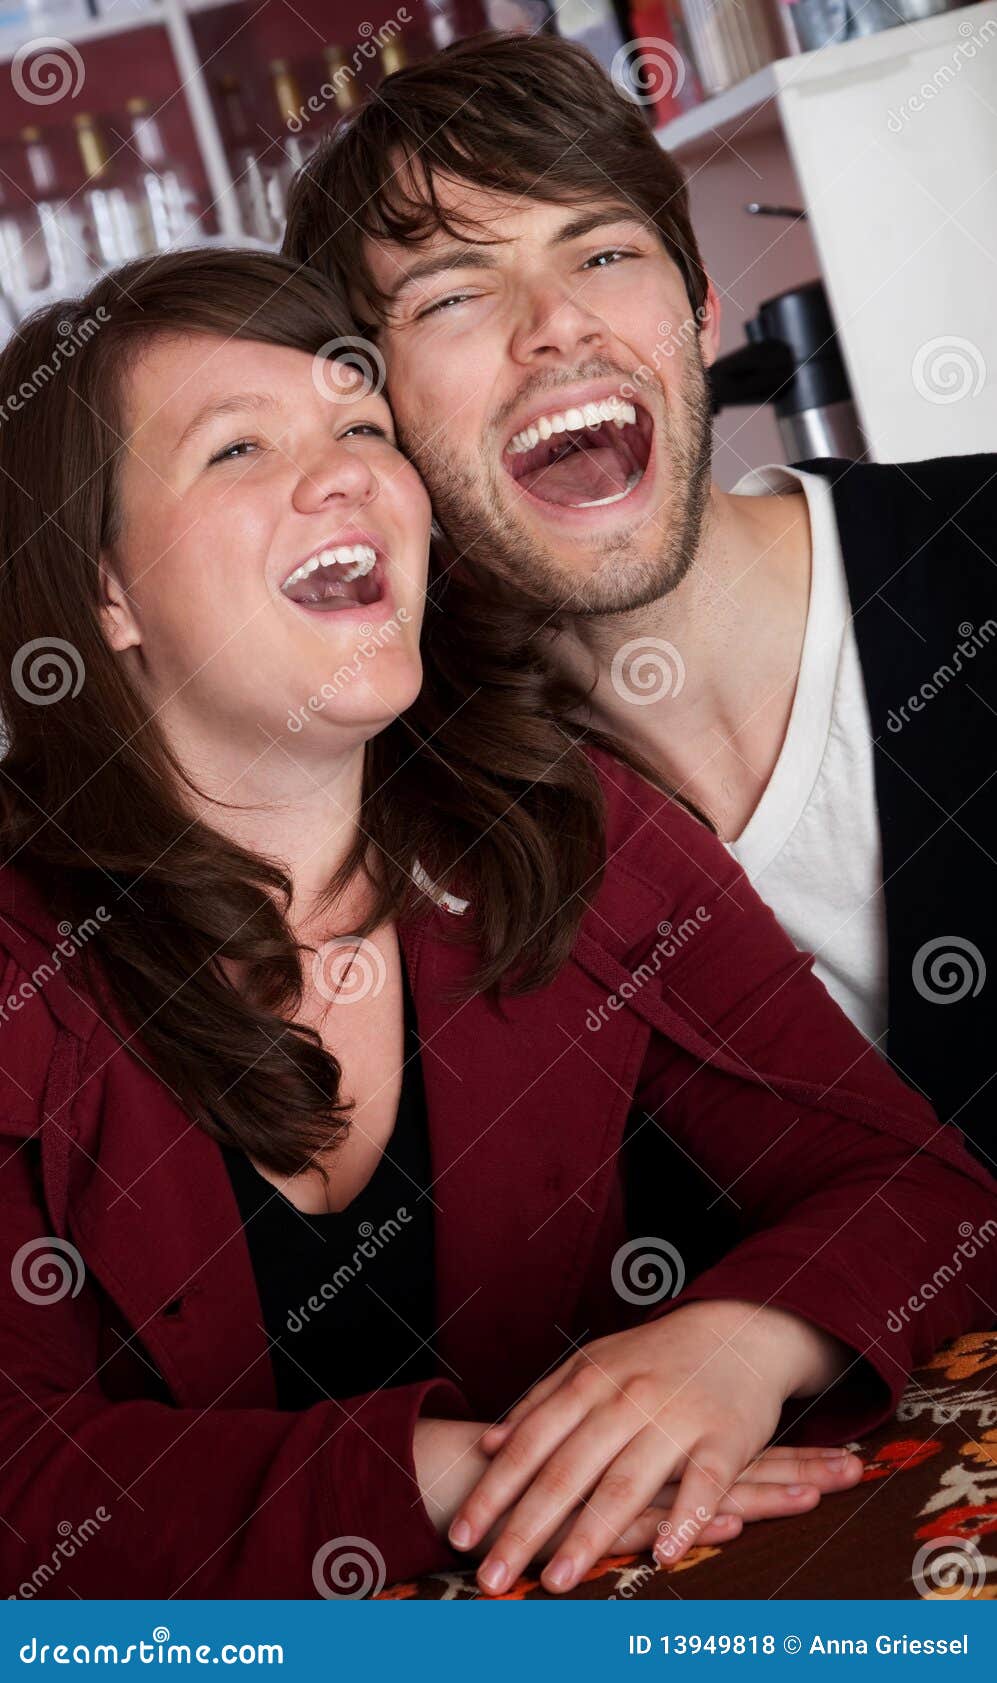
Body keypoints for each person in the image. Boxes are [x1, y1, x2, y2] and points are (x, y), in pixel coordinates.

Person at [0, 249, 992, 1604]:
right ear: (101, 587)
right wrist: (477, 1473)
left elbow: (918, 1187)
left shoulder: (564, 828)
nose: (347, 476)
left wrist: (740, 1343)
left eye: (364, 427)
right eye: (239, 447)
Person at [282, 28, 997, 1175]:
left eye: (604, 254)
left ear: (702, 311)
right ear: (371, 414)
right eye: (454, 295)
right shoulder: (422, 836)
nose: (555, 323)